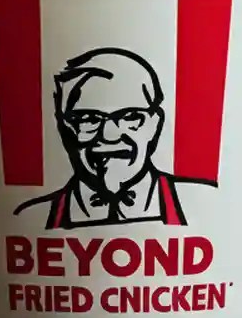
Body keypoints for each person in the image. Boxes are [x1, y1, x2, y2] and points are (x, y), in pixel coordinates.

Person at [14, 47, 214, 229]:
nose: (110, 135)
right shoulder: (32, 218)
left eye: (130, 116)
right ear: (64, 128)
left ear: (155, 124)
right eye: (88, 119)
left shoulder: (203, 204)